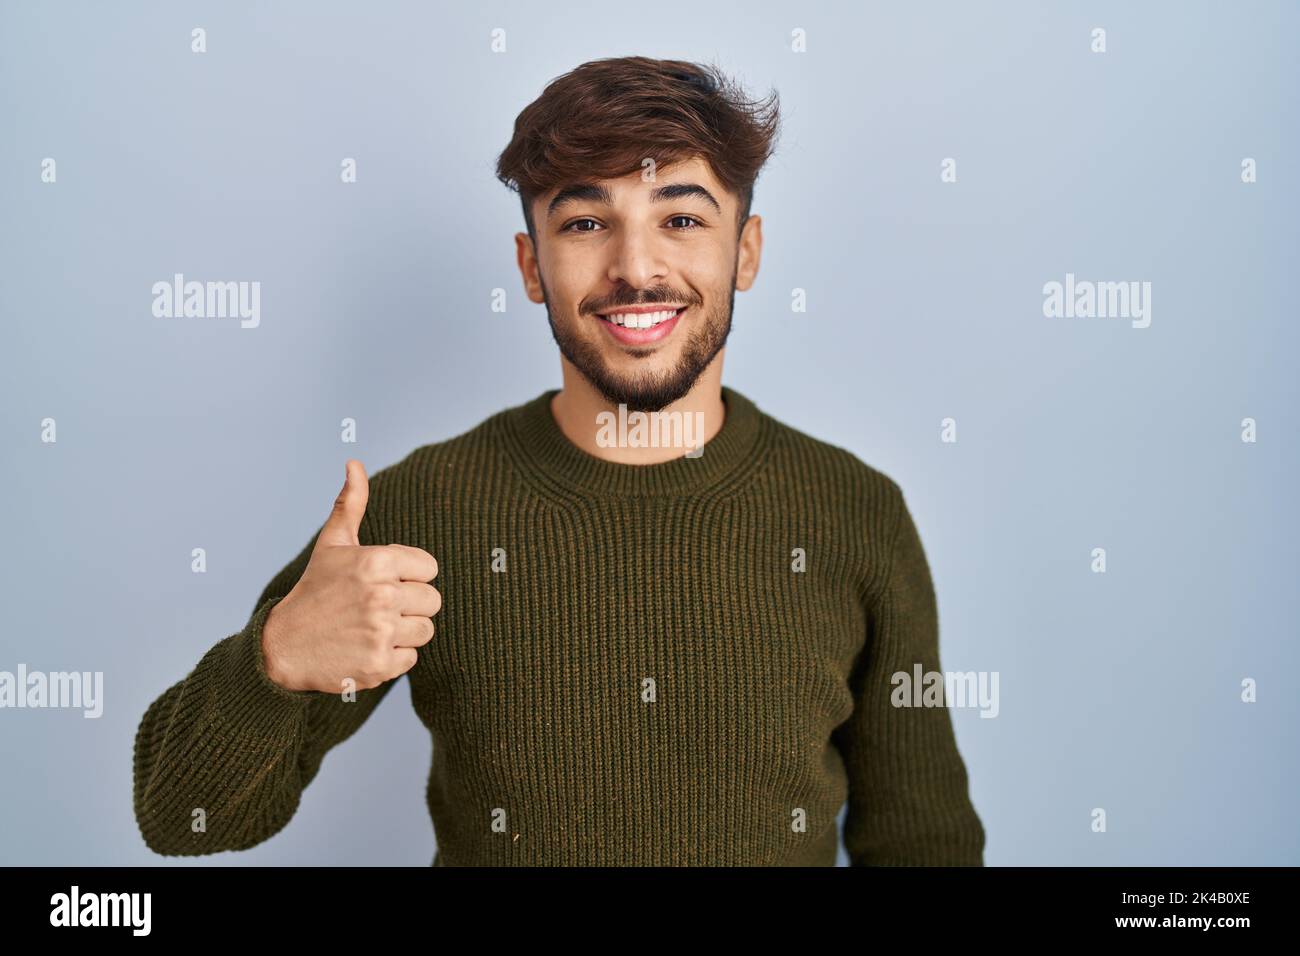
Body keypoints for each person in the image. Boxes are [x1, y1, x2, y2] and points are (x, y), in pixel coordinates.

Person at [132, 55, 985, 866]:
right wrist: (276, 657)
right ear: (532, 266)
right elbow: (178, 815)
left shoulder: (855, 512)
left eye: (682, 219)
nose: (636, 268)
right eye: (585, 224)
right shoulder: (423, 511)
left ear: (747, 251)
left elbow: (924, 843)